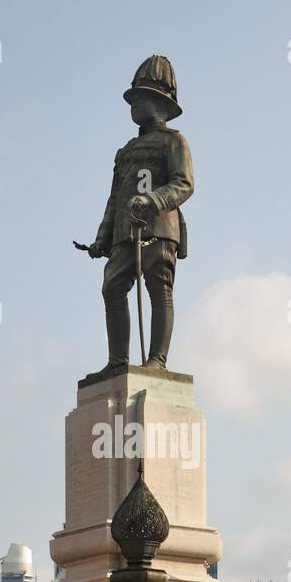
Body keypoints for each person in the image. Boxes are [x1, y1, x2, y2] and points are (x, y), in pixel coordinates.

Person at [82, 56, 193, 382]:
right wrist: (103, 237)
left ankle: (157, 359)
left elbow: (184, 183)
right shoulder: (125, 151)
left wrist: (155, 200)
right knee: (112, 286)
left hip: (159, 228)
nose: (133, 106)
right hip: (123, 232)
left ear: (159, 103)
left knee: (159, 288)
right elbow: (114, 197)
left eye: (141, 98)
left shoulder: (175, 141)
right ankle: (118, 360)